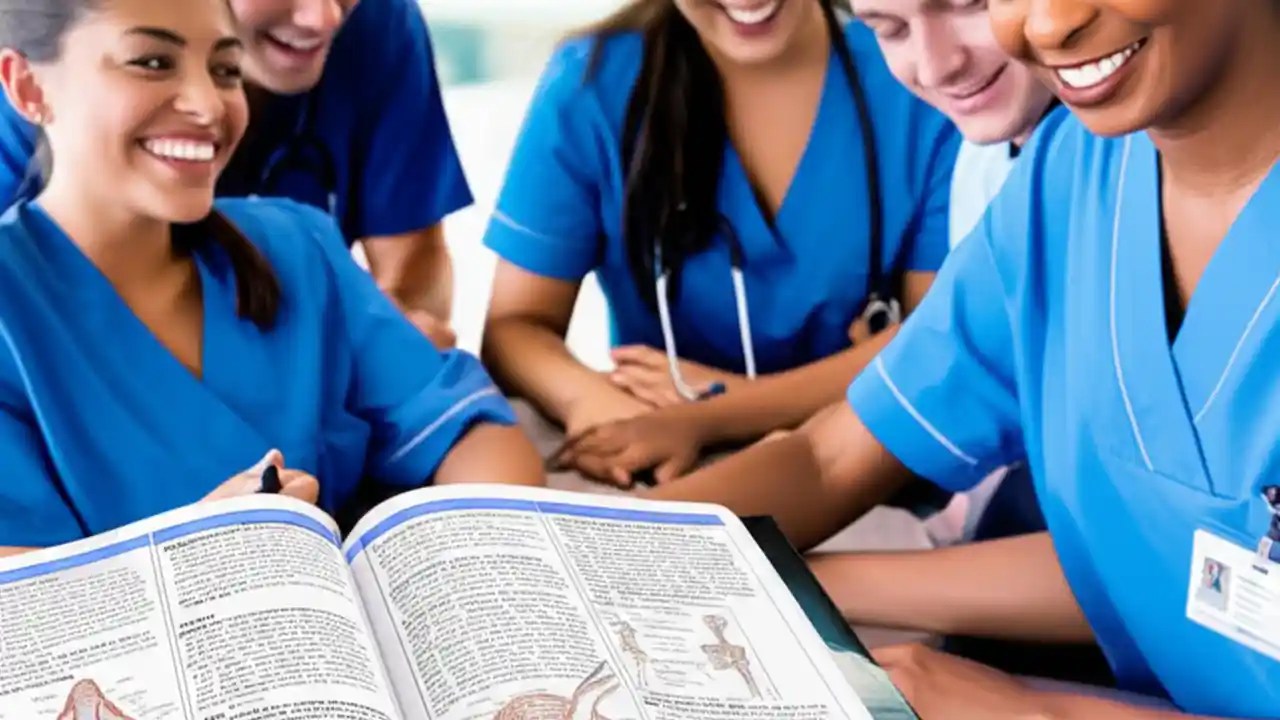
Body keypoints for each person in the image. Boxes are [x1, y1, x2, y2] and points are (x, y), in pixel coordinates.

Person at [623, 0, 1280, 716]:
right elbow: (831, 458)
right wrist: (583, 555)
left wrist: (1035, 713)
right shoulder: (1073, 176)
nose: (1048, 24)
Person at [0, 0, 543, 555]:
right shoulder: (13, 311)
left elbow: (469, 430)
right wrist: (196, 553)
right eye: (153, 62)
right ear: (27, 87)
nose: (208, 105)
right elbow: (22, 596)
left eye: (225, 70)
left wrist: (484, 560)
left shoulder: (295, 246)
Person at [480, 0, 961, 487]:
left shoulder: (922, 75)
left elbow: (935, 344)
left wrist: (719, 412)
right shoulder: (592, 85)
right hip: (662, 463)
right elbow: (515, 327)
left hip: (872, 470)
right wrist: (589, 402)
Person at [0, 0, 467, 348]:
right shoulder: (50, 79)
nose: (322, 18)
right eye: (153, 64)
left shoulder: (373, 27)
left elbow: (413, 273)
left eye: (224, 72)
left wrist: (390, 352)